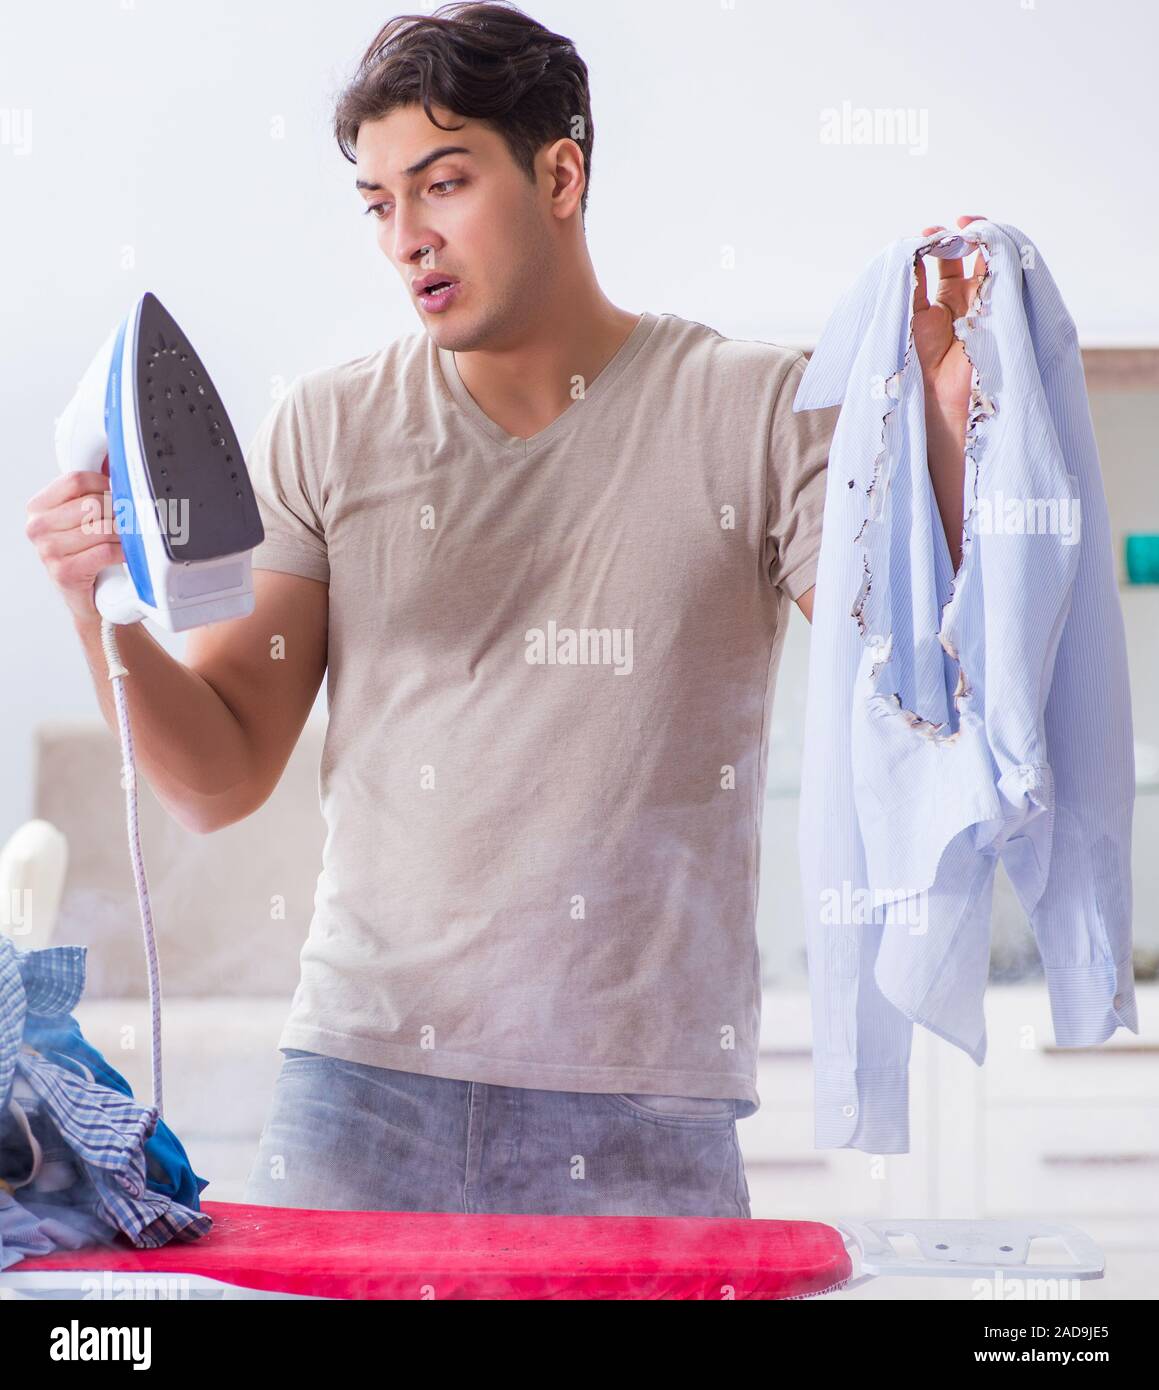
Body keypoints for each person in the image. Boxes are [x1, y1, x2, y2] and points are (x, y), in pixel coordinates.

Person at [25, 1, 984, 1219]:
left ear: (561, 172)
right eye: (379, 203)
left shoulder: (754, 410)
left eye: (442, 184)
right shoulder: (327, 429)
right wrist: (92, 605)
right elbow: (217, 776)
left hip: (647, 1095)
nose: (406, 238)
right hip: (362, 1080)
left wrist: (946, 428)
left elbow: (905, 680)